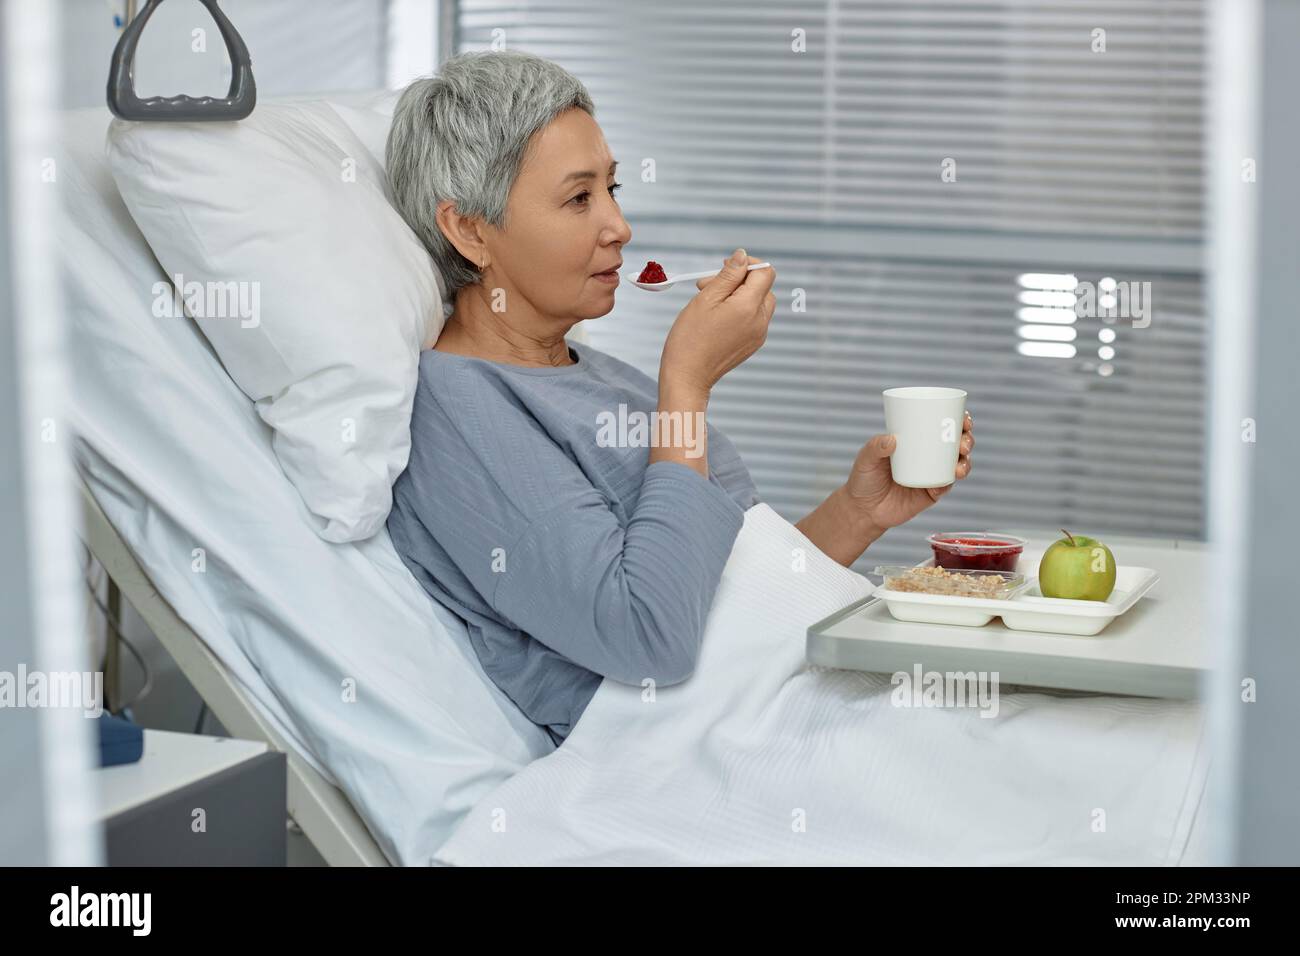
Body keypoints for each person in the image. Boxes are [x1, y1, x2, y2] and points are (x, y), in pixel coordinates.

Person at [384, 51, 974, 745]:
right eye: (579, 199)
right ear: (469, 230)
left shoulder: (599, 375)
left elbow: (733, 599)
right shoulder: (458, 411)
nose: (619, 227)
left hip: (777, 693)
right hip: (677, 747)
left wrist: (859, 512)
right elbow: (649, 638)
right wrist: (687, 386)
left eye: (613, 188)